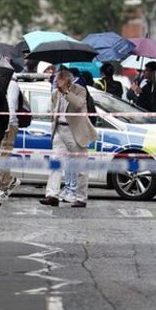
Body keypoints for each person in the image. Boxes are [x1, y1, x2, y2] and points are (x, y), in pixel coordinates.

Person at [39, 66, 97, 208]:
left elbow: (78, 105)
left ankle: (81, 197)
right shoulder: (55, 93)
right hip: (60, 129)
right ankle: (52, 194)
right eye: (57, 80)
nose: (57, 82)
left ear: (68, 80)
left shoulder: (80, 90)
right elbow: (51, 110)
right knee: (56, 162)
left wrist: (66, 92)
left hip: (75, 131)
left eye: (60, 80)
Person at [0, 74, 22, 202]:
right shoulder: (3, 85)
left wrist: (8, 124)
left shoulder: (11, 84)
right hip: (1, 124)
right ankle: (10, 180)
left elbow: (11, 104)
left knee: (3, 157)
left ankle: (4, 188)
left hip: (9, 125)